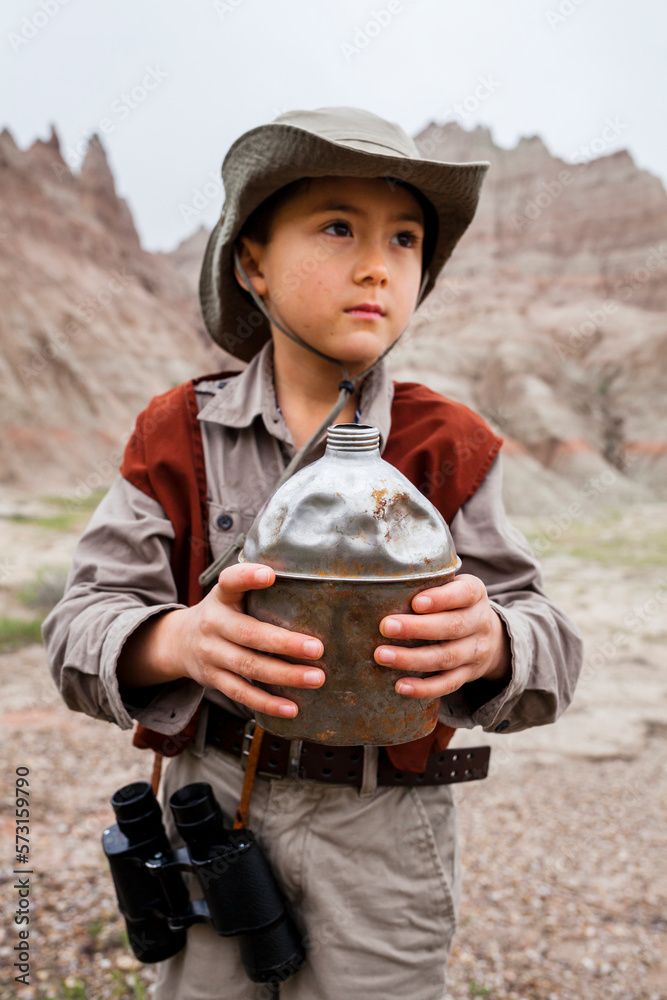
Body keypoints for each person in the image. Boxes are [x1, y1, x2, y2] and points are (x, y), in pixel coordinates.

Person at [43, 106, 584, 1000]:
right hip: (208, 807)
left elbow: (549, 643)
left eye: (405, 239)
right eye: (337, 226)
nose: (377, 262)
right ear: (250, 261)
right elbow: (75, 629)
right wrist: (176, 643)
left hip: (387, 828)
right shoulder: (178, 431)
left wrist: (491, 644)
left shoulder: (447, 443)